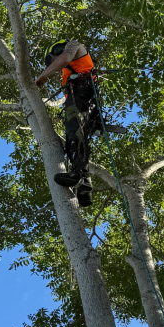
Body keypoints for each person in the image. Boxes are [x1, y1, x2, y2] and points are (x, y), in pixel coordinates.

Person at [35, 39, 100, 207]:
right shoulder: (69, 70)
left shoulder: (74, 46)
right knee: (74, 138)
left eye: (54, 54)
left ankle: (80, 175)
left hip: (82, 93)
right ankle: (83, 184)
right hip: (81, 98)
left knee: (74, 132)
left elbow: (63, 59)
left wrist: (43, 75)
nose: (55, 58)